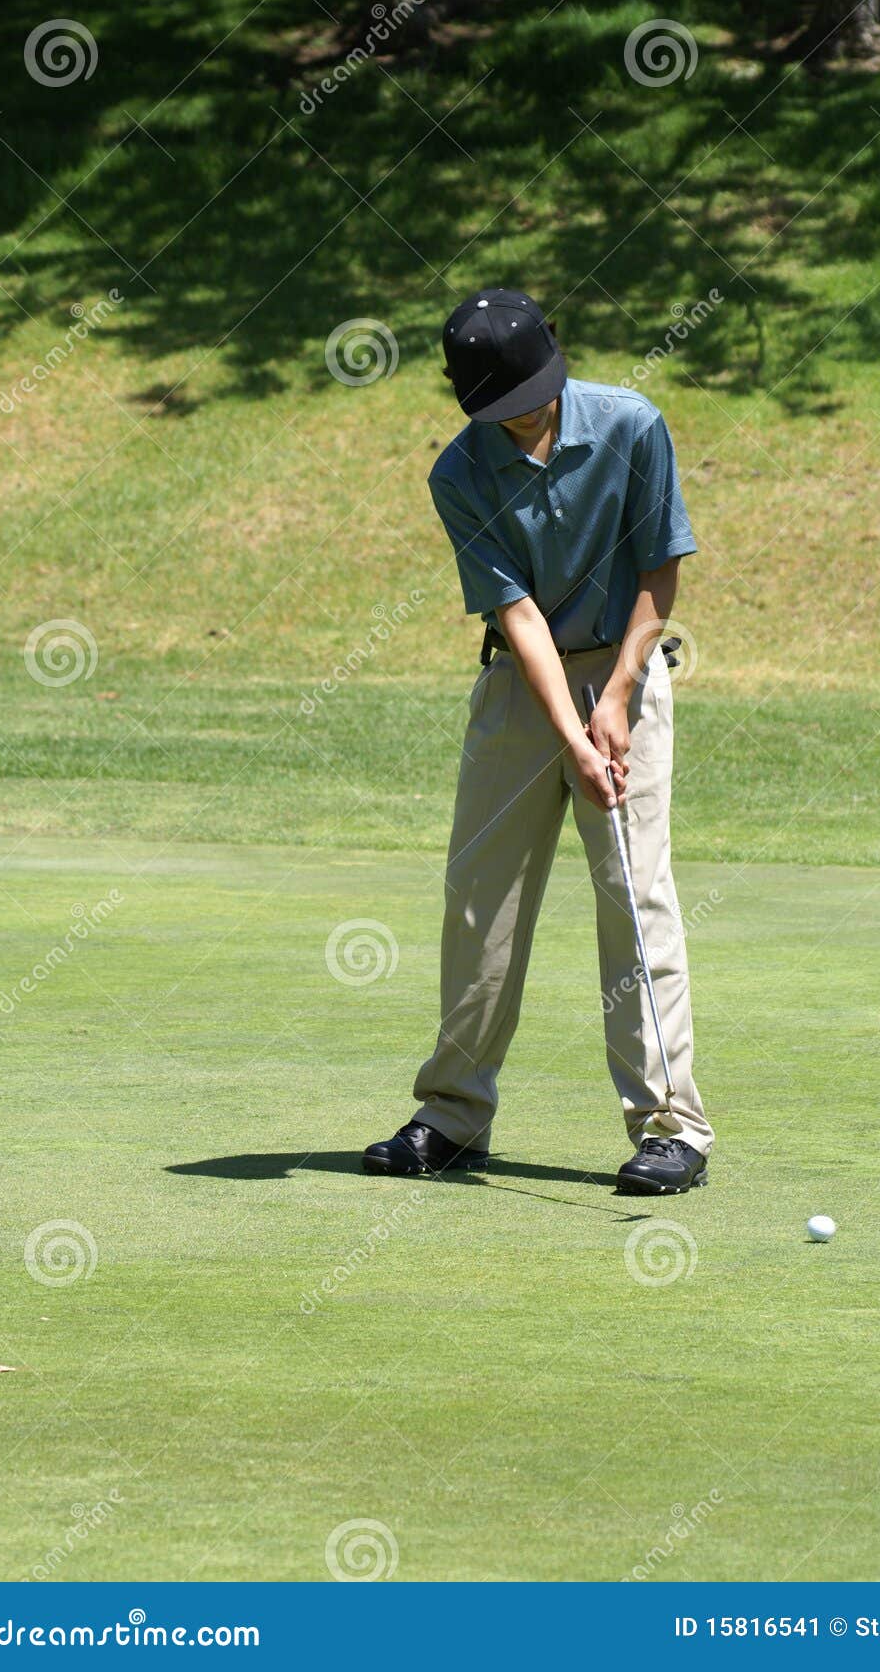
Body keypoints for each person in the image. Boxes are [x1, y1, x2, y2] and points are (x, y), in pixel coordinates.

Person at [363, 288, 714, 1195]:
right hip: (521, 691)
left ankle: (671, 1127)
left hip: (625, 667)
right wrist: (571, 727)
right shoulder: (458, 473)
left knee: (634, 897)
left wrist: (618, 697)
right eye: (500, 404)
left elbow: (658, 569)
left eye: (531, 393)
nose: (521, 414)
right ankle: (451, 1116)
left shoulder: (632, 426)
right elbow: (515, 613)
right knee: (481, 902)